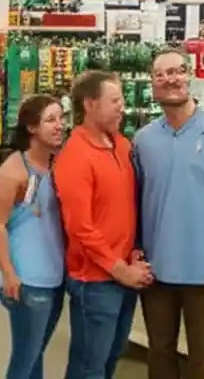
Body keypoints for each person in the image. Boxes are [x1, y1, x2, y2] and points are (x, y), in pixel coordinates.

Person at [133, 48, 204, 379]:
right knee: (159, 356)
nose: (170, 79)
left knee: (202, 363)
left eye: (177, 71)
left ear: (189, 77)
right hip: (156, 275)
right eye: (161, 74)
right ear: (152, 84)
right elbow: (136, 202)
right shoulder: (143, 141)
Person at [54, 71, 152, 379]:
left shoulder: (121, 146)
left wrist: (134, 250)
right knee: (89, 367)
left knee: (110, 359)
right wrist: (119, 268)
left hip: (123, 276)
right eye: (115, 101)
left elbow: (128, 207)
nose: (122, 107)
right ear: (90, 104)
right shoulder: (75, 156)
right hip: (94, 282)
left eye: (122, 100)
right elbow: (80, 227)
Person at [0, 95, 67, 379]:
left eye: (61, 118)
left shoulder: (60, 165)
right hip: (28, 282)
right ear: (32, 128)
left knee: (35, 358)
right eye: (50, 120)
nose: (60, 126)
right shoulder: (14, 171)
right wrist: (8, 273)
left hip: (56, 278)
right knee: (24, 361)